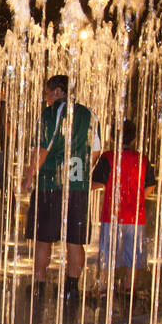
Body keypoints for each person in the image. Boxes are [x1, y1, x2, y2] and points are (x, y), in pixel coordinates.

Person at [21, 74, 99, 306]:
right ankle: (72, 289)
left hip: (50, 185)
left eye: (47, 92)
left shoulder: (51, 113)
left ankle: (39, 285)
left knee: (43, 238)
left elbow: (42, 148)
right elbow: (95, 152)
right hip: (78, 187)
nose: (45, 98)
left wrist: (29, 176)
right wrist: (80, 172)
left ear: (57, 92)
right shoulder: (89, 114)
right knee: (75, 240)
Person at [90, 119, 156, 297]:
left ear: (112, 137)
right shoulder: (142, 159)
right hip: (136, 216)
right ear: (134, 139)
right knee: (132, 253)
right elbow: (151, 185)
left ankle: (103, 287)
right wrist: (138, 198)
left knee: (108, 251)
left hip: (112, 215)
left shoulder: (108, 157)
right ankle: (128, 286)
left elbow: (96, 183)